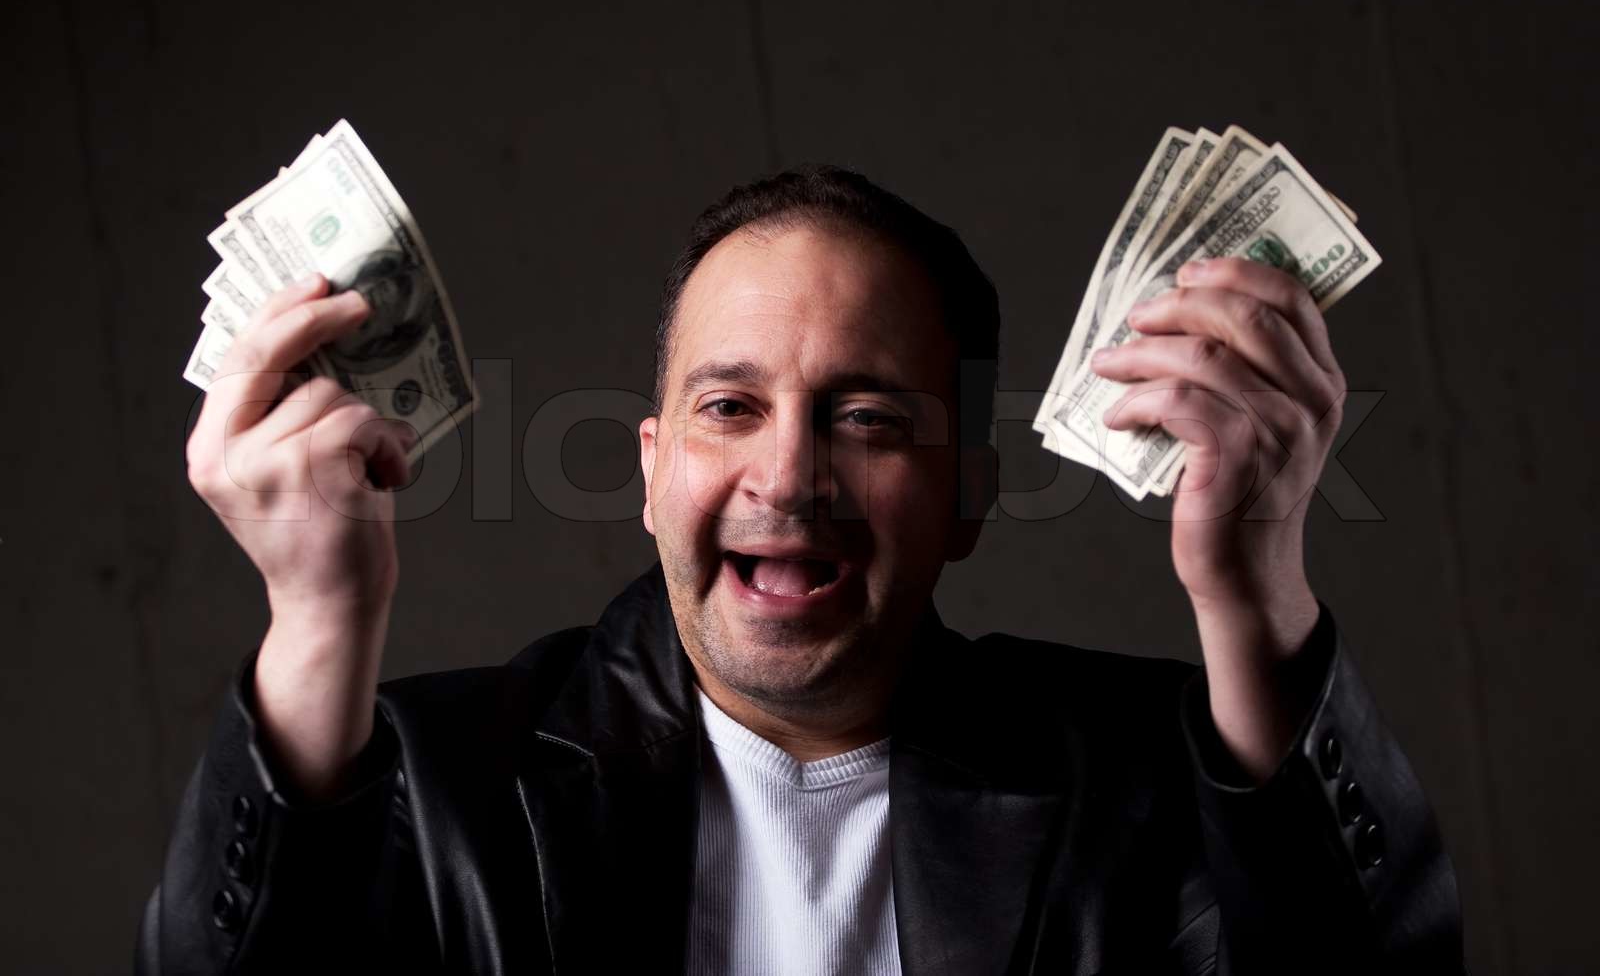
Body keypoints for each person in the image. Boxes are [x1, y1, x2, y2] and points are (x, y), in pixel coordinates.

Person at [137, 166, 1462, 974]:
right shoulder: (427, 785)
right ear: (652, 474)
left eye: (871, 418)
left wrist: (1255, 584)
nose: (791, 475)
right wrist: (318, 618)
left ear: (968, 494)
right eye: (729, 407)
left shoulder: (1156, 787)